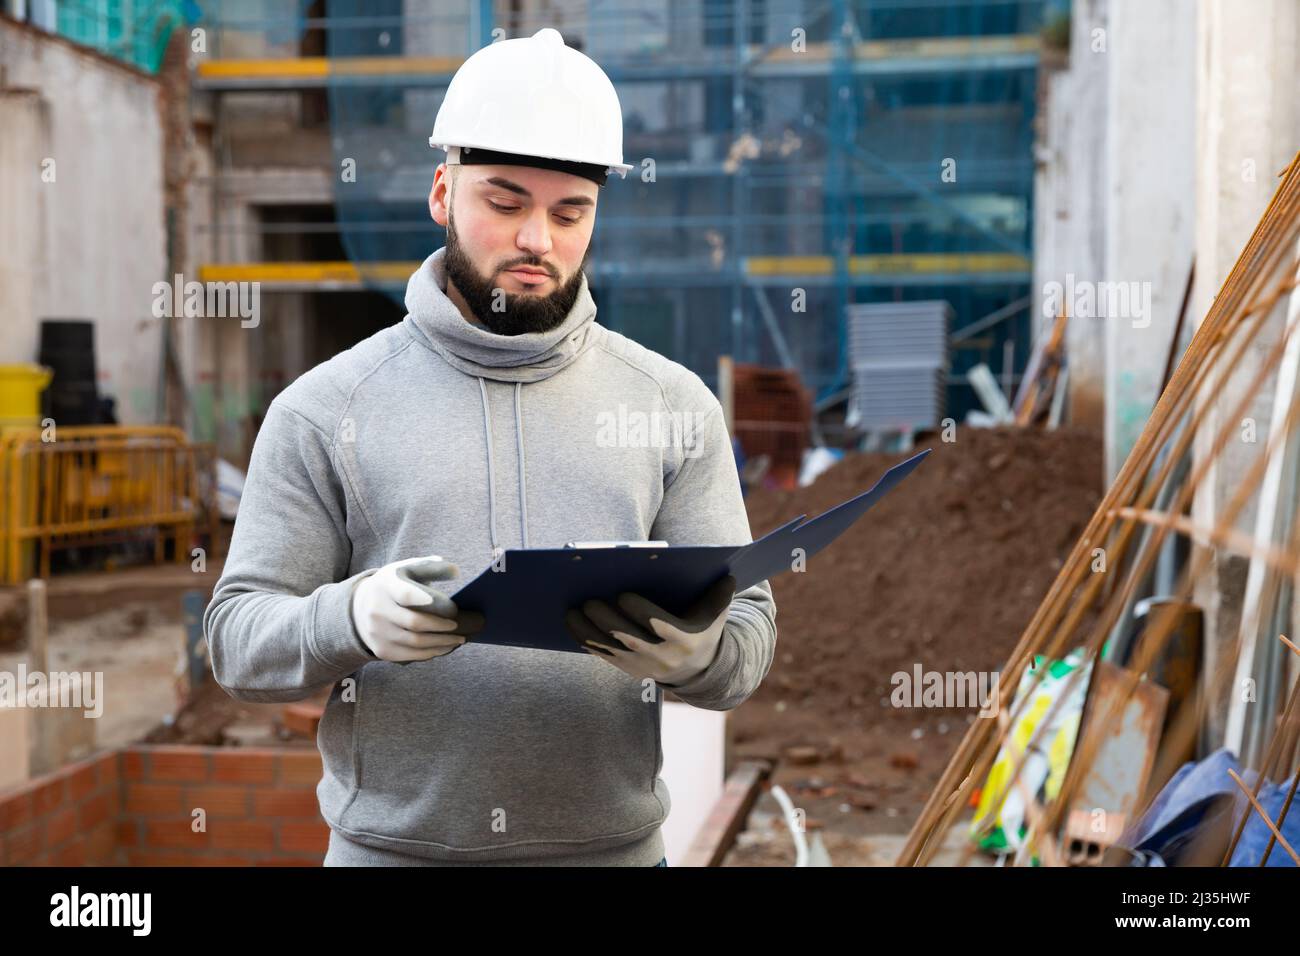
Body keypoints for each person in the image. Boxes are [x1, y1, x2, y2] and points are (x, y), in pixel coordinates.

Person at [204, 28, 777, 867]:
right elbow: (235, 640)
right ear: (442, 192)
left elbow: (750, 633)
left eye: (568, 212)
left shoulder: (673, 405)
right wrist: (350, 617)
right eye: (505, 203)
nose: (537, 240)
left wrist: (702, 656)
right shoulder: (326, 409)